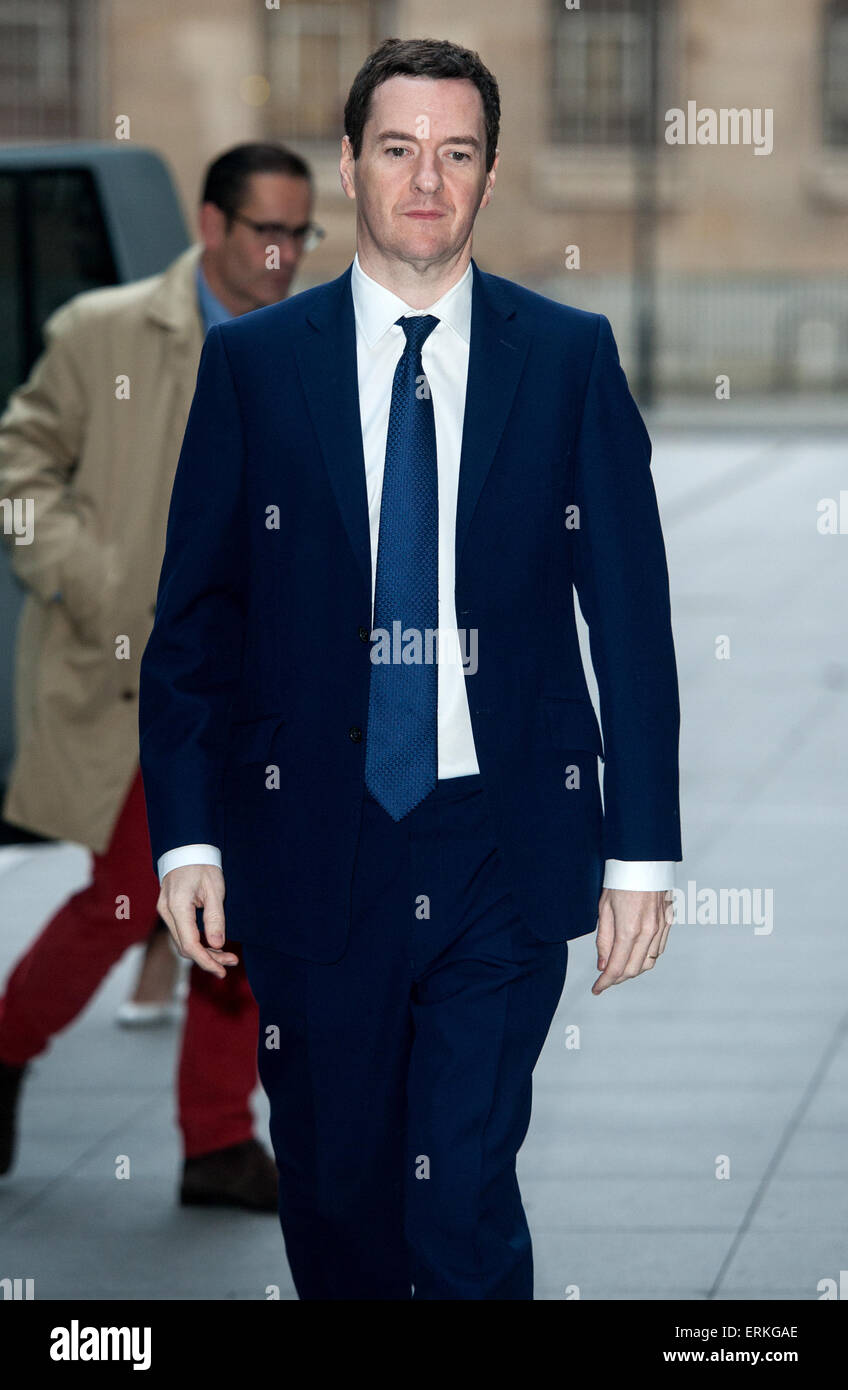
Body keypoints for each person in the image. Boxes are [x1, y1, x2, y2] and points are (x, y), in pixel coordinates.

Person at [140, 39, 682, 1297]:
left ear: (488, 177)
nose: (424, 179)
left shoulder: (565, 359)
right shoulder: (257, 368)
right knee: (337, 1199)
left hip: (498, 840)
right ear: (348, 165)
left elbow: (632, 618)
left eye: (455, 152)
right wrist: (188, 841)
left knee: (464, 1195)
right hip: (310, 847)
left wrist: (640, 848)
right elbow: (193, 629)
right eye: (397, 149)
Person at [0, 142, 324, 1209]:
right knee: (127, 895)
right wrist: (87, 579)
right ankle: (6, 1047)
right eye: (264, 231)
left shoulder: (311, 343)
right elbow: (19, 465)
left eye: (299, 232)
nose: (282, 254)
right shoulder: (105, 332)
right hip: (139, 672)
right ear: (212, 223)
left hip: (263, 685)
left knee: (242, 910)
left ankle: (218, 1139)